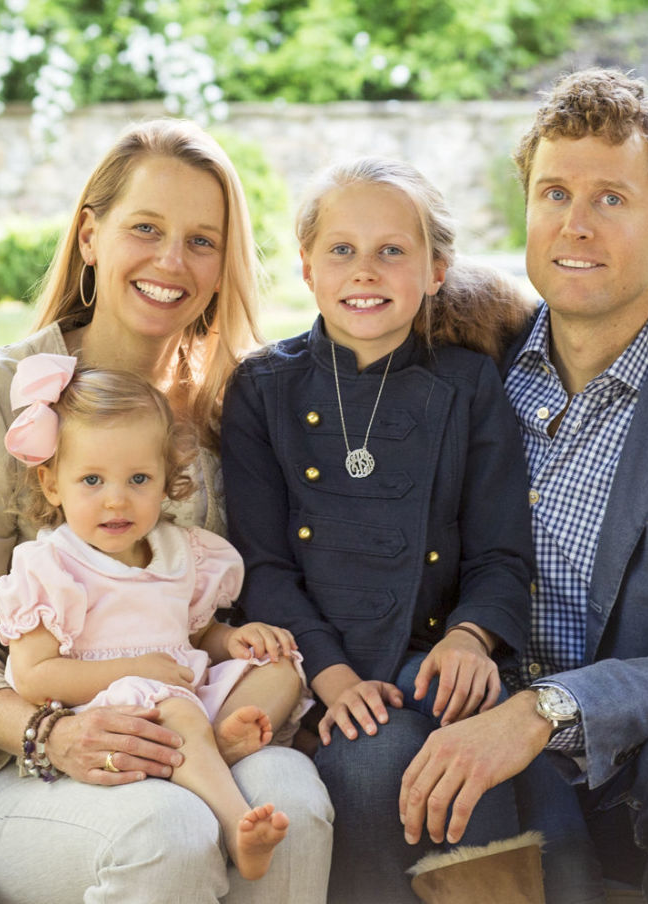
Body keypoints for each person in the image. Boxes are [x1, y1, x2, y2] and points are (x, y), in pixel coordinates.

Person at [394, 68, 648, 904]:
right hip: (471, 700)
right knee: (374, 741)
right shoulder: (471, 364)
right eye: (553, 193)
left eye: (611, 200)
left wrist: (545, 710)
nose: (573, 226)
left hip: (642, 735)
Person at [0, 120, 333, 904]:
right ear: (91, 235)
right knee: (166, 836)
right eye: (146, 229)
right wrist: (53, 734)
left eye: (202, 241)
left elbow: (230, 599)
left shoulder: (240, 403)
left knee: (296, 805)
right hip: (34, 762)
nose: (172, 262)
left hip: (194, 710)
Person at [221, 157, 537, 903]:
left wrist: (472, 637)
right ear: (306, 267)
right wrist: (329, 676)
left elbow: (499, 551)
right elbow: (264, 568)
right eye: (342, 250)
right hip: (312, 669)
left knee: (474, 749)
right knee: (369, 755)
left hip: (431, 657)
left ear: (435, 270)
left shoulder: (468, 384)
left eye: (392, 250)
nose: (366, 271)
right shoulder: (263, 388)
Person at [0, 359, 307, 881]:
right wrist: (136, 669)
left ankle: (215, 747)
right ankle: (235, 822)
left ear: (166, 483)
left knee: (281, 668)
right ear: (51, 484)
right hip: (112, 709)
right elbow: (33, 676)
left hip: (181, 690)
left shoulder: (181, 552)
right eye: (91, 479)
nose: (117, 499)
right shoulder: (52, 567)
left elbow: (196, 634)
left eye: (139, 478)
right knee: (177, 714)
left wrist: (236, 640)